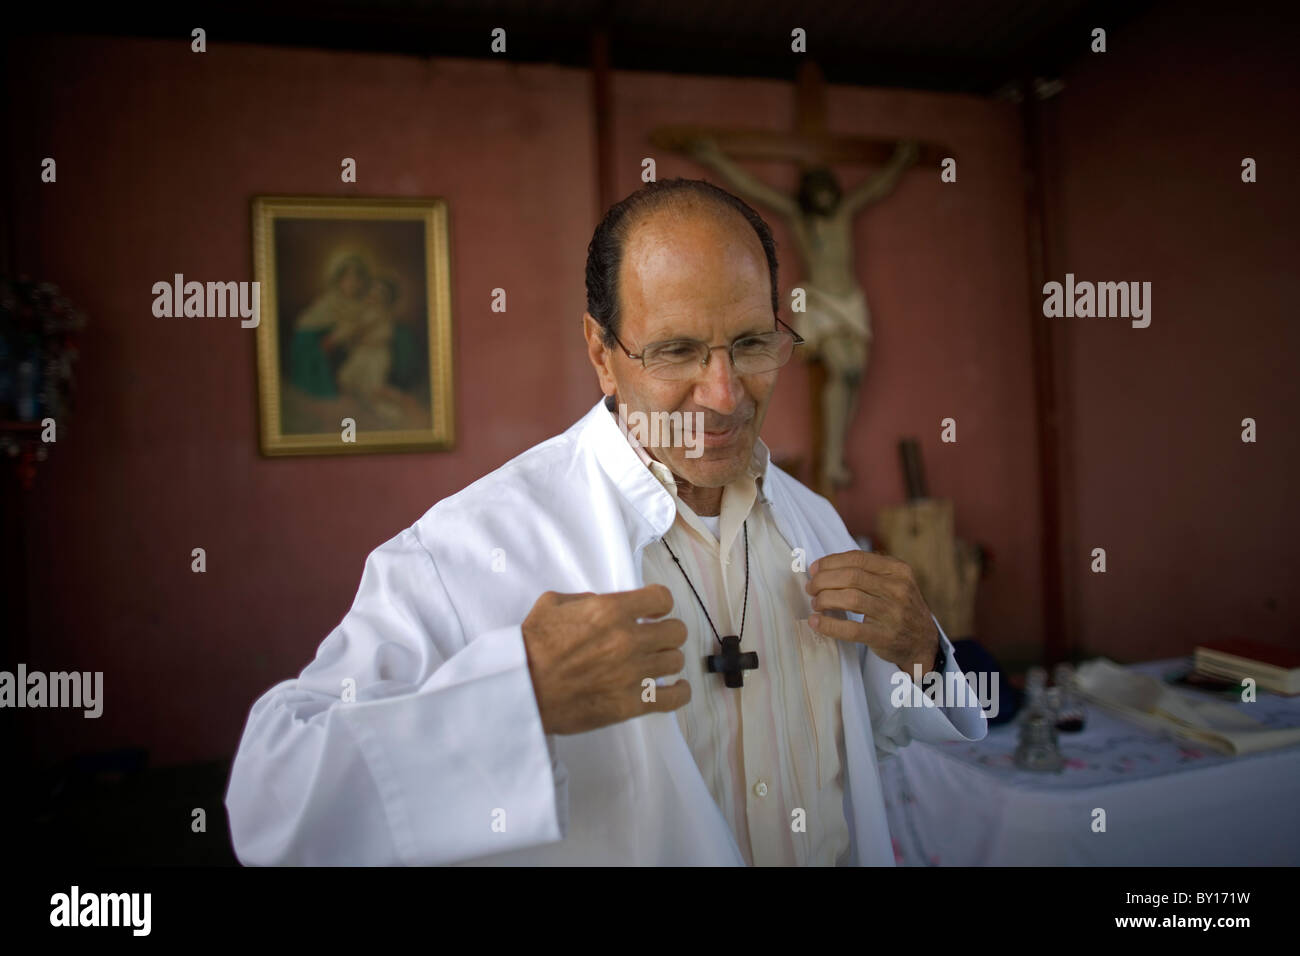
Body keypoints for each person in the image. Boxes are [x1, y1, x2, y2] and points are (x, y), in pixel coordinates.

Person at [226, 178, 987, 866]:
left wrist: (923, 655)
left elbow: (865, 745)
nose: (724, 395)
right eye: (677, 351)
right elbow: (273, 805)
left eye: (752, 344)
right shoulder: (467, 552)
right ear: (601, 352)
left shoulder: (816, 523)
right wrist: (515, 697)